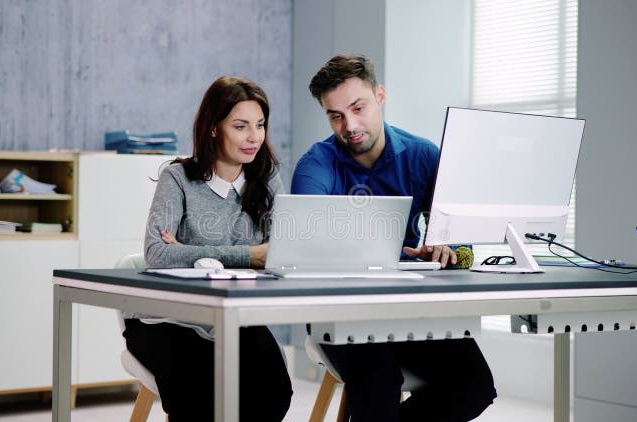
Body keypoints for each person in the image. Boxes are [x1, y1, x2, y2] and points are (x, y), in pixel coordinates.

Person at [292, 54, 496, 422]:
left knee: (475, 384)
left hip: (407, 309)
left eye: (358, 107)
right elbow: (303, 248)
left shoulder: (423, 156)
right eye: (335, 115)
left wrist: (448, 251)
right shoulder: (316, 165)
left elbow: (465, 249)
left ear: (380, 96)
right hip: (337, 309)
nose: (349, 125)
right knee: (379, 379)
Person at [122, 76, 292, 421]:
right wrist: (250, 255)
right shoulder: (178, 179)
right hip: (166, 318)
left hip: (233, 318)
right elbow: (157, 254)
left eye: (259, 125)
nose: (253, 137)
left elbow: (282, 252)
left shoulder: (268, 180)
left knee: (274, 392)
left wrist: (191, 250)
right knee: (199, 393)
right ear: (214, 128)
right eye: (240, 126)